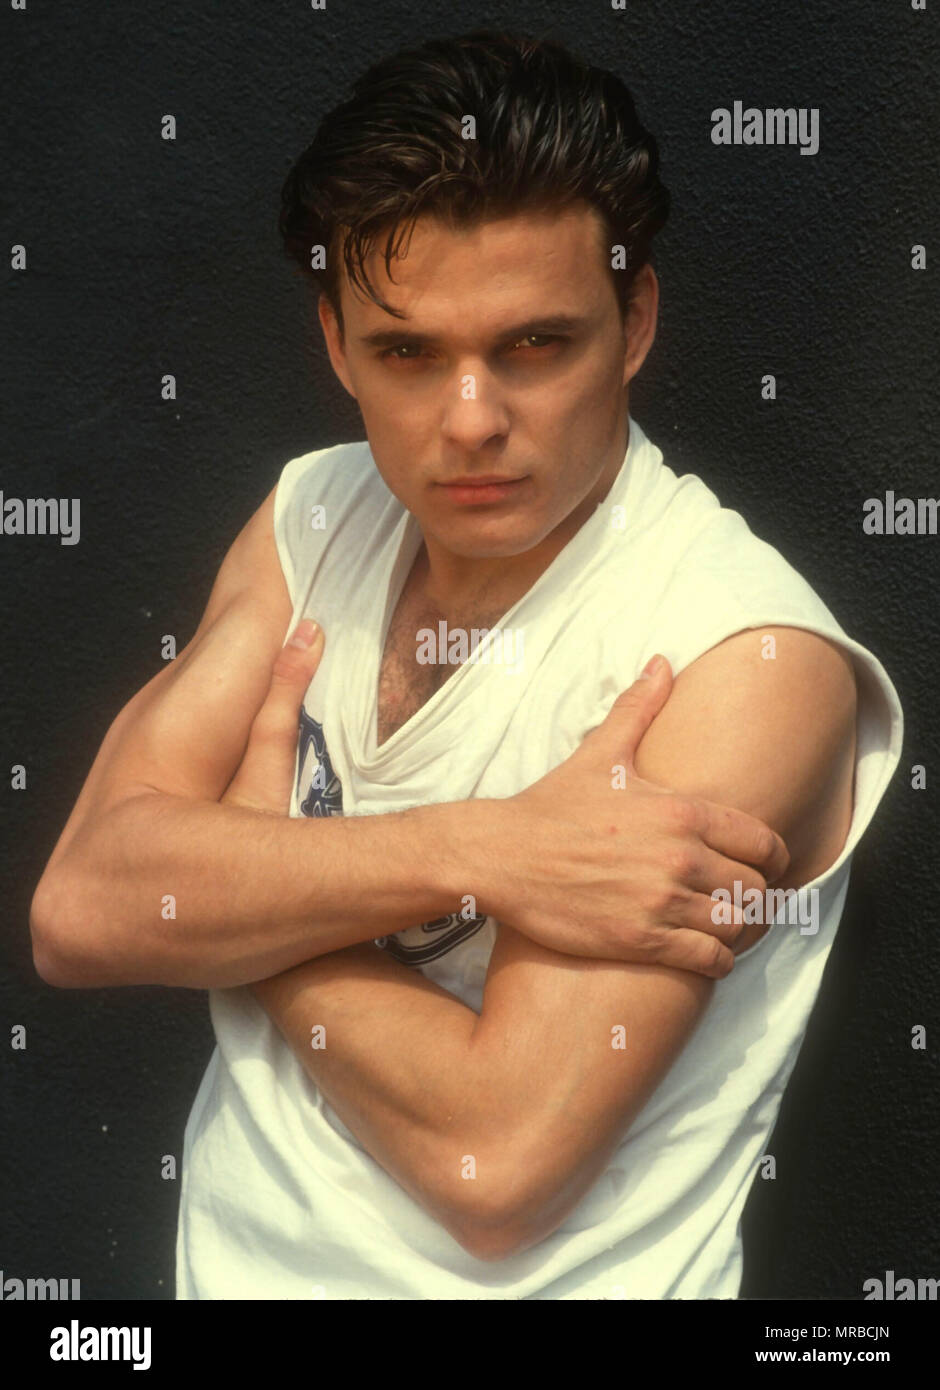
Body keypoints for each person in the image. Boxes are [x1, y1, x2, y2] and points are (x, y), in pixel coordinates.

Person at [29, 30, 902, 1299]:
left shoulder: (740, 653)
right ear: (335, 344)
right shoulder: (313, 515)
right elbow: (78, 908)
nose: (474, 418)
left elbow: (495, 1160)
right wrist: (483, 847)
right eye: (407, 353)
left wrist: (239, 883)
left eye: (536, 345)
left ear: (635, 317)